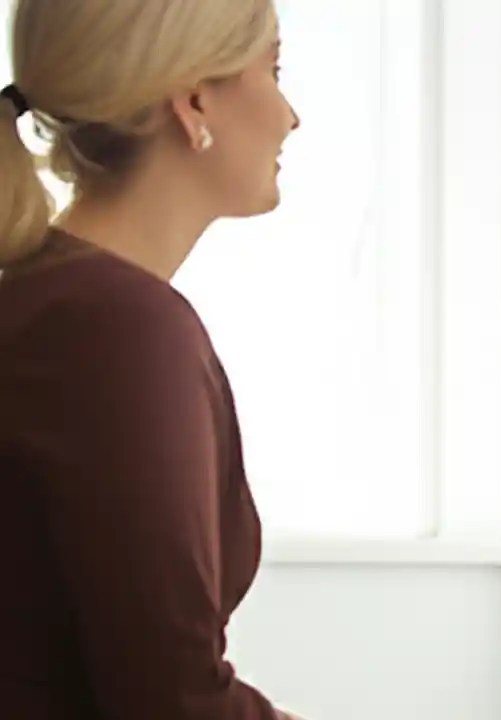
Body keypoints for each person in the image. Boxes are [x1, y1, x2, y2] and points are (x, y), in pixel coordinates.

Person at [0, 1, 304, 717]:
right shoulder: (117, 329)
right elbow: (170, 700)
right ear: (194, 99)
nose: (292, 115)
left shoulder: (48, 301)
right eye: (275, 70)